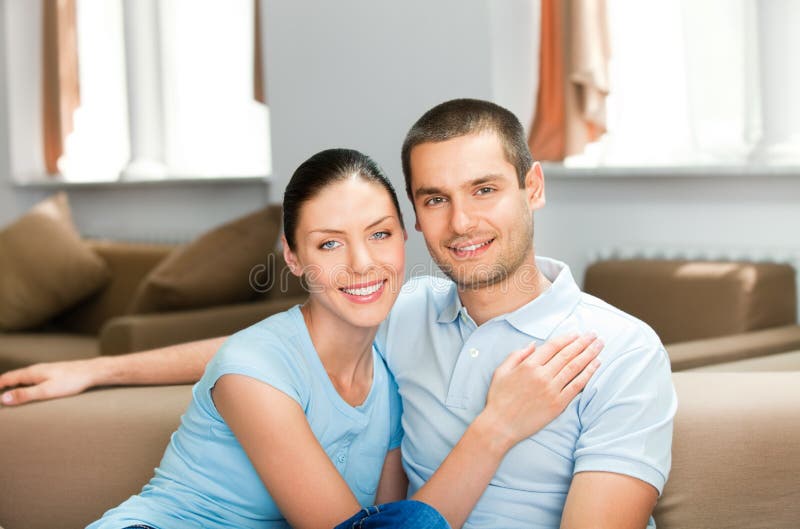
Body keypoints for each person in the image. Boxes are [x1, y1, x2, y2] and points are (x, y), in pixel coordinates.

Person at [1, 99, 676, 528]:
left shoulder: (618, 347)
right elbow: (265, 355)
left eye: (485, 189)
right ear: (418, 214)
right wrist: (97, 370)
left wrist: (99, 368)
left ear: (533, 187)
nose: (461, 220)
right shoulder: (405, 311)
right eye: (435, 198)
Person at [81, 148, 600, 529]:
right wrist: (498, 425)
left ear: (407, 234)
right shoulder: (251, 372)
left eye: (379, 234)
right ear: (292, 257)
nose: (362, 264)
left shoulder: (391, 367)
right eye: (329, 243)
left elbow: (387, 517)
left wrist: (94, 369)